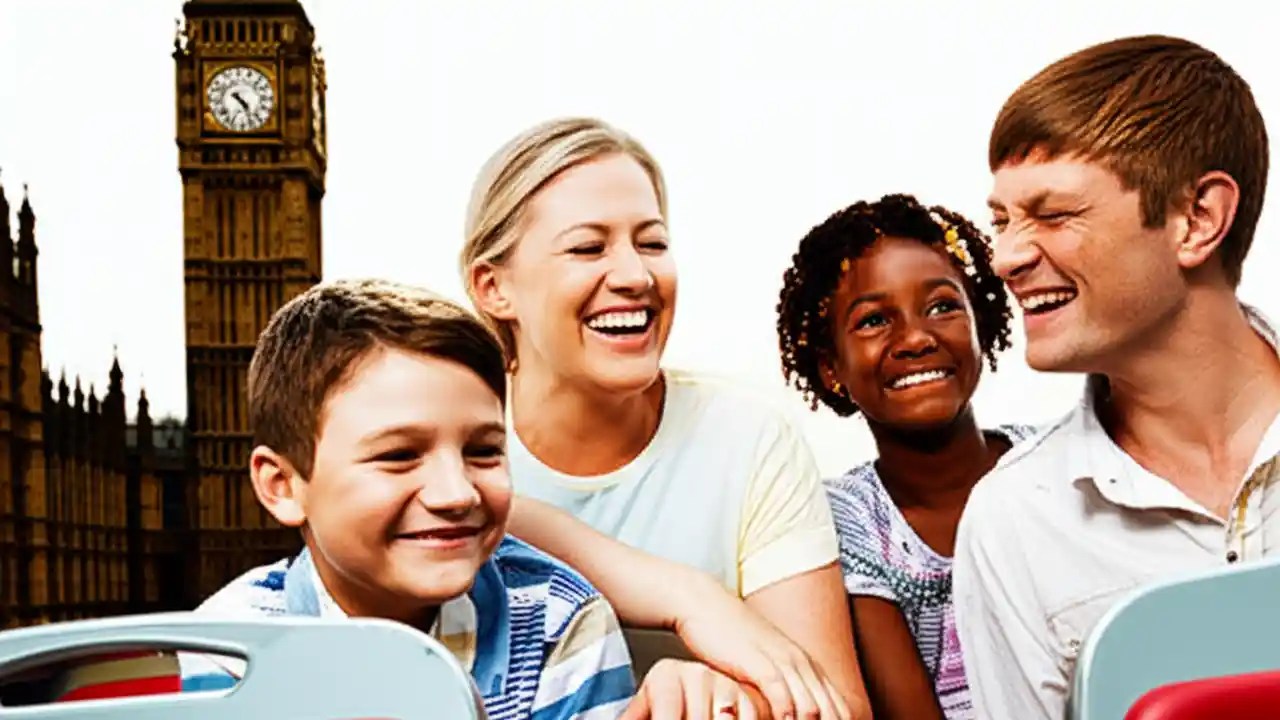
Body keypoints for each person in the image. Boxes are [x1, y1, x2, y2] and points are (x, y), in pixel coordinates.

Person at [177, 279, 771, 720]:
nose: (456, 493)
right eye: (398, 456)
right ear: (282, 485)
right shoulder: (230, 646)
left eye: (483, 452)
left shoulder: (558, 626)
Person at [461, 116, 871, 718]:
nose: (635, 276)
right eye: (587, 248)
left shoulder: (747, 440)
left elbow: (839, 709)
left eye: (651, 242)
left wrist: (729, 703)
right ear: (493, 287)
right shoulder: (448, 445)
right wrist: (687, 596)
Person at [951, 34, 1279, 719]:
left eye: (1054, 214)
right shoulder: (1016, 522)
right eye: (1002, 221)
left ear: (1197, 219)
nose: (1006, 257)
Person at [775, 193, 1034, 719]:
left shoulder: (1057, 462)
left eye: (942, 307)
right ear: (831, 369)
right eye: (873, 321)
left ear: (979, 323)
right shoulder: (848, 521)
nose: (916, 337)